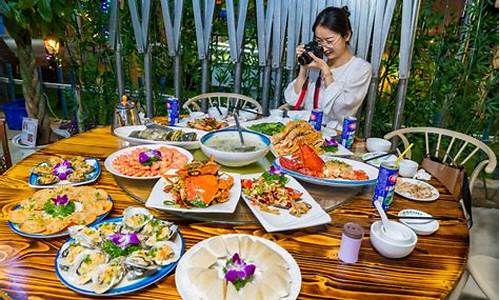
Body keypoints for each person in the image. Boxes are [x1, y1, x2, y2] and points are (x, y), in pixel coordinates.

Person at [284, 6, 372, 130]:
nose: (324, 48)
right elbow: (295, 101)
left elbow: (342, 110)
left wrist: (326, 72)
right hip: (305, 132)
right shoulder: (318, 60)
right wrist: (304, 67)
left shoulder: (360, 68)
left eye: (329, 41)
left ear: (346, 35)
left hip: (335, 138)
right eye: (319, 41)